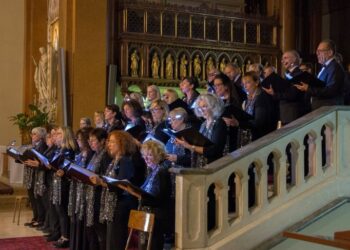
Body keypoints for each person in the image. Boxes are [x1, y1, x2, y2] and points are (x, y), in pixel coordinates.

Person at [90, 131, 145, 250]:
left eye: (112, 141)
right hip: (113, 205)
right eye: (109, 141)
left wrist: (101, 183)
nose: (109, 144)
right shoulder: (115, 160)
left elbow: (121, 185)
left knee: (116, 241)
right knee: (111, 240)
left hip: (121, 205)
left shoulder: (125, 161)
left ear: (122, 143)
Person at [176, 93, 227, 167]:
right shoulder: (203, 124)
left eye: (204, 107)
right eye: (199, 108)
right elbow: (198, 145)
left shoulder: (219, 123)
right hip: (200, 164)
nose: (201, 110)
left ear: (213, 107)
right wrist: (185, 143)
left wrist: (190, 146)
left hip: (214, 166)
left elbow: (214, 151)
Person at [295, 39, 345, 110]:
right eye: (317, 51)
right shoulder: (325, 67)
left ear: (330, 52)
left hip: (329, 109)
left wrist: (308, 88)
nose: (317, 54)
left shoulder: (335, 68)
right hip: (320, 108)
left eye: (320, 51)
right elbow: (320, 86)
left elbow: (331, 91)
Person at [140, 140, 172, 250]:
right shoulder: (154, 170)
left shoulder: (162, 171)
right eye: (144, 155)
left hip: (157, 216)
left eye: (149, 155)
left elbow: (160, 198)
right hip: (150, 214)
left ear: (158, 154)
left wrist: (141, 196)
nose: (146, 159)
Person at [51, 126, 77, 248]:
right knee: (58, 209)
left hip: (65, 183)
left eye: (59, 133)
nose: (56, 135)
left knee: (62, 210)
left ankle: (65, 236)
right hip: (57, 182)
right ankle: (62, 234)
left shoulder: (70, 149)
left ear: (66, 135)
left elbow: (70, 166)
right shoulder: (59, 149)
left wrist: (64, 172)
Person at [68, 127, 94, 250]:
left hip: (85, 194)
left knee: (83, 223)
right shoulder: (79, 154)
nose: (77, 141)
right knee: (76, 220)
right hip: (76, 191)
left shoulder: (91, 155)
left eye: (79, 139)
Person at [239, 72, 276, 142]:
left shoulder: (261, 98)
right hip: (251, 136)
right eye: (243, 84)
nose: (245, 86)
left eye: (247, 83)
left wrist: (239, 123)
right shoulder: (247, 100)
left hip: (262, 138)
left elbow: (259, 122)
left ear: (256, 82)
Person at [23, 127, 48, 229]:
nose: (32, 136)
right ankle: (36, 217)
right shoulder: (33, 145)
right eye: (32, 134)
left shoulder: (43, 146)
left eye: (34, 134)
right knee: (32, 198)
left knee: (38, 198)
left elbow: (41, 160)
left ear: (41, 136)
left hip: (39, 175)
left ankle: (40, 219)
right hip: (32, 174)